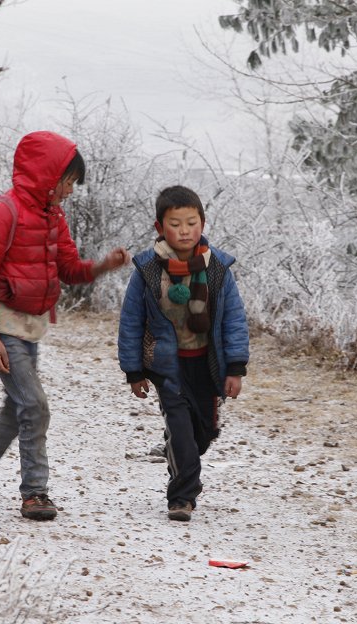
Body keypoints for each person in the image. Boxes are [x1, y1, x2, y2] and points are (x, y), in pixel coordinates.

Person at [0, 130, 129, 520]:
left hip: (29, 324)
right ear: (46, 176)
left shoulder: (53, 217)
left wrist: (101, 266)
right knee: (34, 405)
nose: (70, 190)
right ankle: (35, 493)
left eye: (73, 183)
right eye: (67, 181)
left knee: (18, 407)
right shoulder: (4, 212)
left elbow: (68, 269)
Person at [118, 185, 249, 522]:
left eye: (191, 222)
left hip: (208, 366)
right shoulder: (147, 270)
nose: (184, 230)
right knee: (182, 435)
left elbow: (234, 318)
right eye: (175, 223)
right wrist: (134, 370)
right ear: (159, 227)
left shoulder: (218, 268)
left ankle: (179, 451)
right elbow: (131, 321)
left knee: (202, 434)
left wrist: (235, 366)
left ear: (202, 223)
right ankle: (182, 496)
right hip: (167, 368)